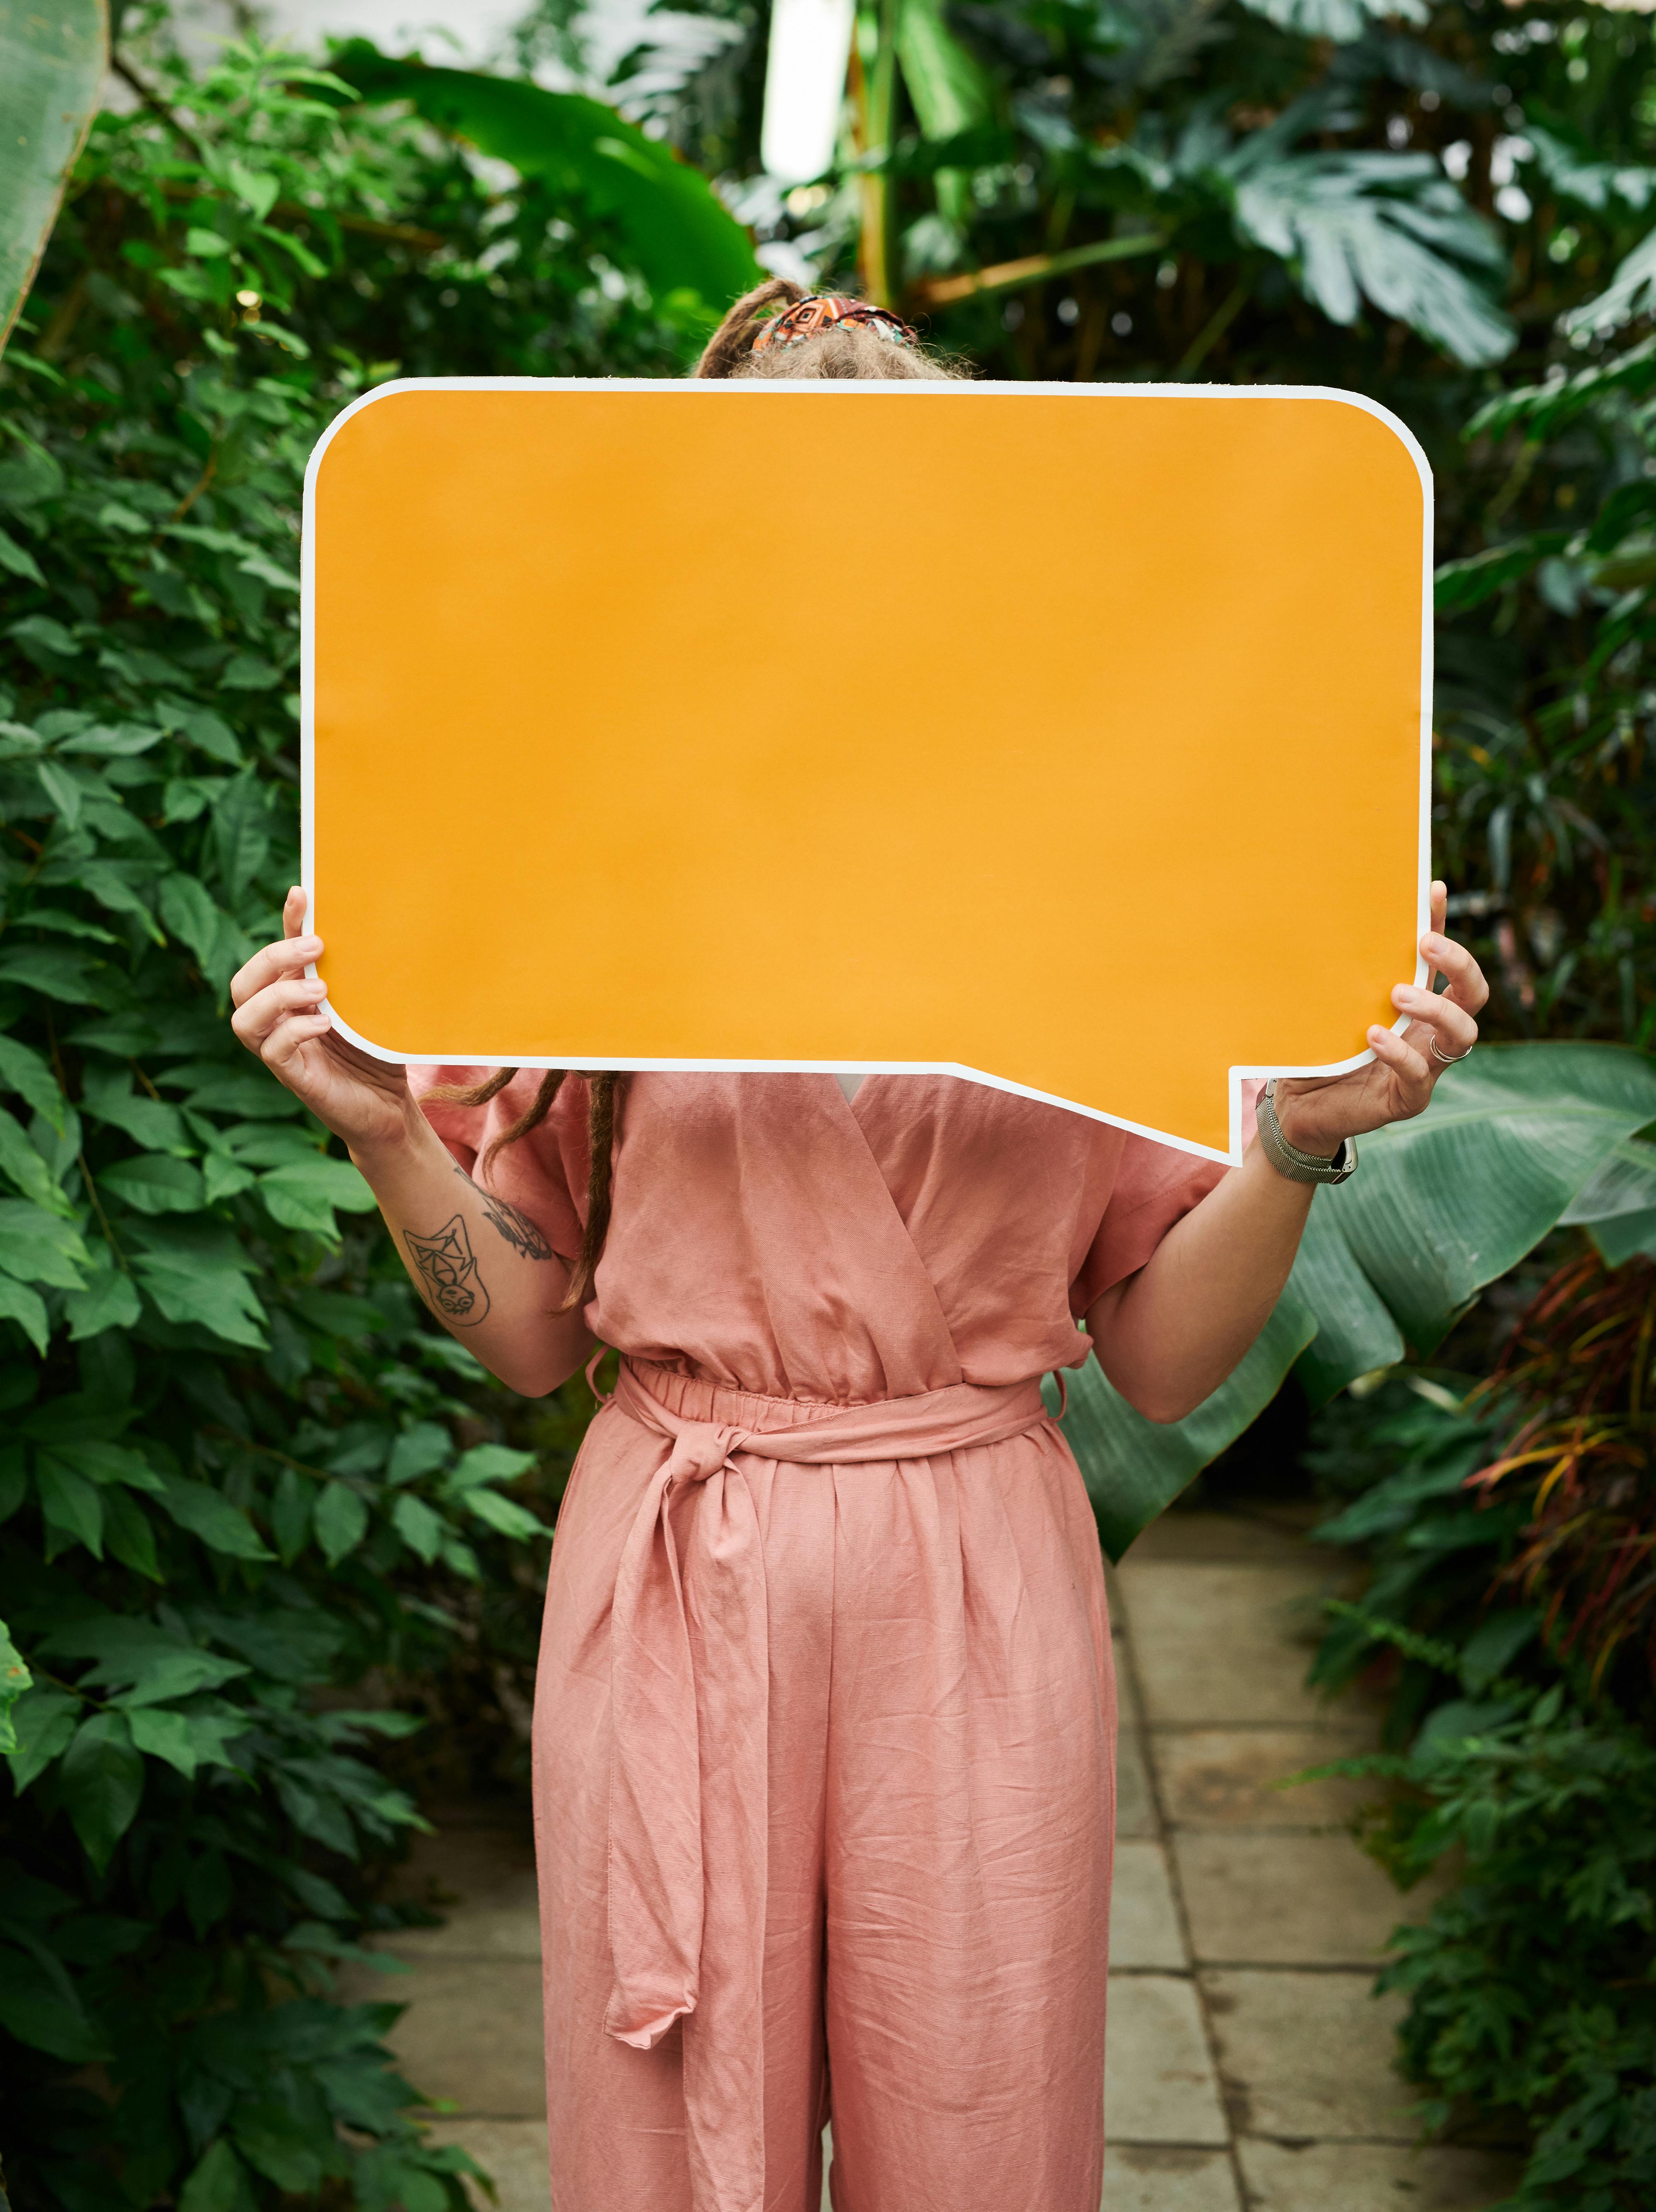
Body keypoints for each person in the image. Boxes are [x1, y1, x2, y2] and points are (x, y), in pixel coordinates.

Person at [230, 279, 1489, 2212]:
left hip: (970, 1561)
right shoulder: (579, 863)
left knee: (975, 2113)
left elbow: (1153, 1364)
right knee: (664, 2138)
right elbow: (532, 1342)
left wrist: (1297, 1145)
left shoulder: (1102, 864)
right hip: (678, 1548)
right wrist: (392, 1128)